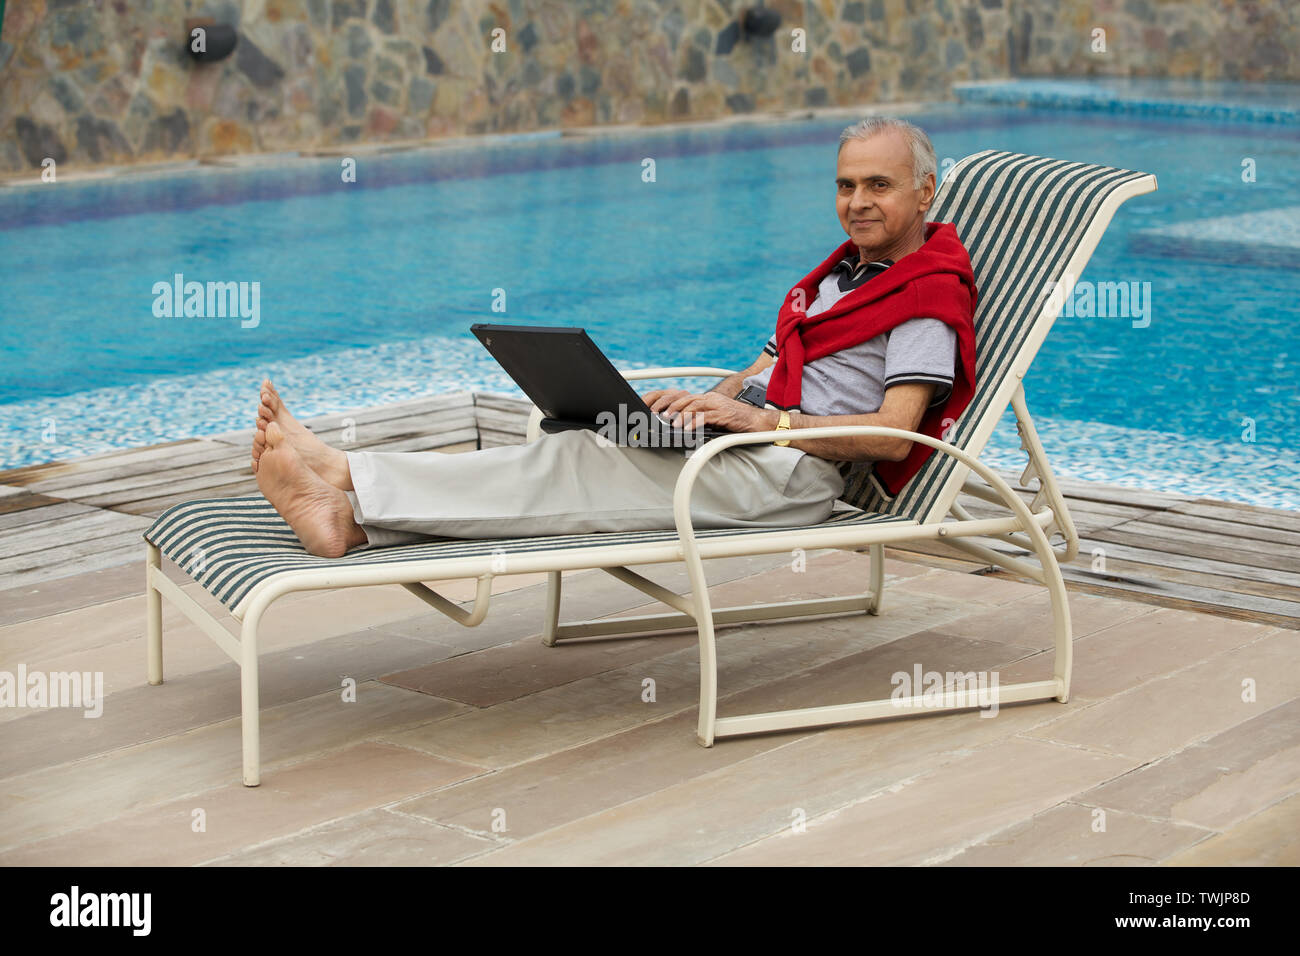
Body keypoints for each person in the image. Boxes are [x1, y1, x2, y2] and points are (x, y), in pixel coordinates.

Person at [251, 116, 977, 557]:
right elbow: (770, 362)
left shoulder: (922, 297)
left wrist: (761, 421)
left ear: (925, 191)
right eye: (846, 186)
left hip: (785, 477)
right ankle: (351, 505)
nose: (856, 203)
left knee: (574, 469)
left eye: (877, 186)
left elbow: (893, 435)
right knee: (577, 437)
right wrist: (705, 403)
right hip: (738, 444)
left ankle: (347, 495)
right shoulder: (839, 279)